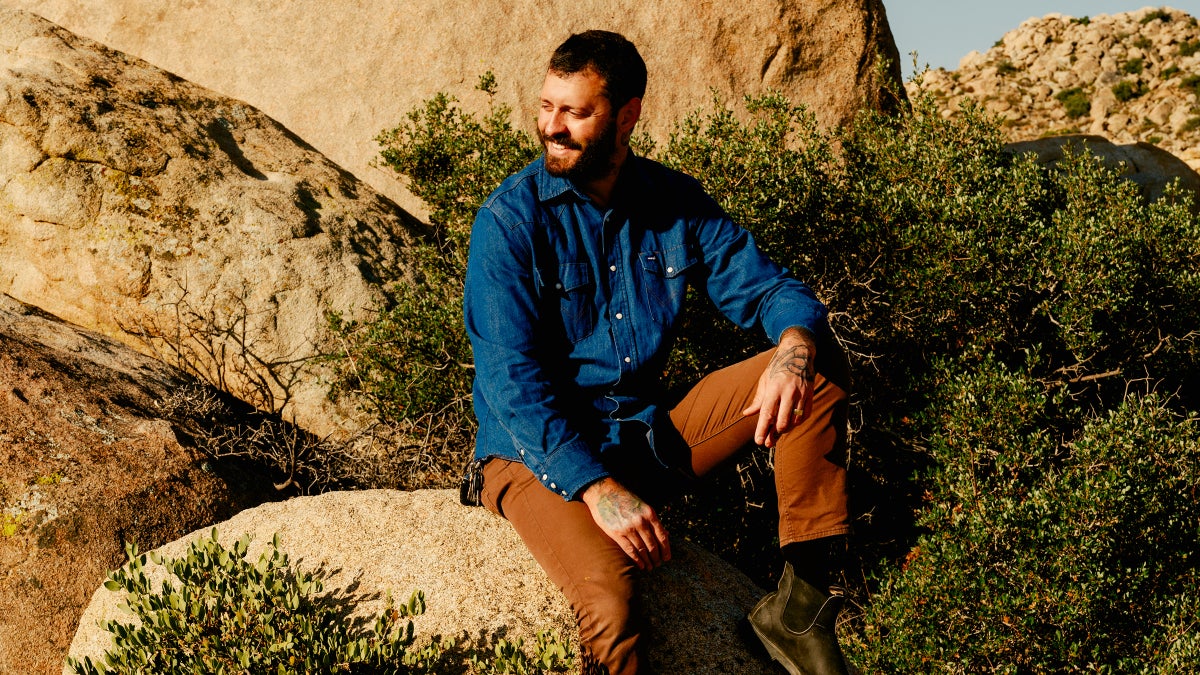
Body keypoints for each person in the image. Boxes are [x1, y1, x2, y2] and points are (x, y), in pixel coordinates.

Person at [462, 29, 852, 675]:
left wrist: (794, 346)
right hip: (533, 456)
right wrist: (598, 489)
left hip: (642, 437)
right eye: (545, 106)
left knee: (815, 365)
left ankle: (799, 605)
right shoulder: (509, 221)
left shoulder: (672, 202)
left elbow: (770, 290)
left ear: (628, 115)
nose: (551, 128)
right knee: (611, 601)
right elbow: (512, 382)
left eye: (575, 112)